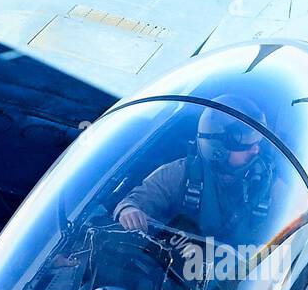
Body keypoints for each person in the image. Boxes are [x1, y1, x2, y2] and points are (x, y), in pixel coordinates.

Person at [114, 96, 276, 246]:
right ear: (217, 148)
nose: (255, 150)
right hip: (178, 270)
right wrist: (129, 211)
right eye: (247, 145)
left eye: (257, 143)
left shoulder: (267, 183)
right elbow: (132, 203)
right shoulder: (180, 173)